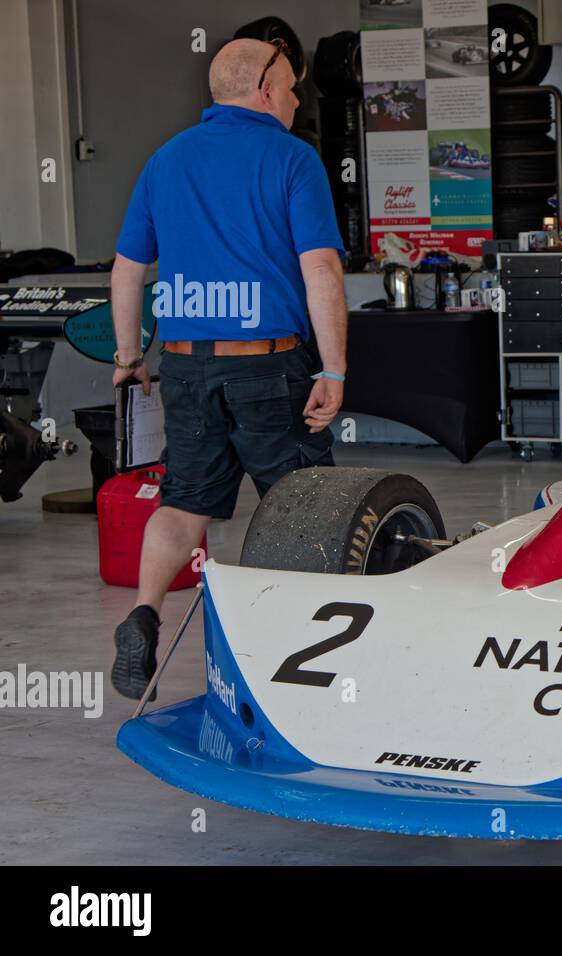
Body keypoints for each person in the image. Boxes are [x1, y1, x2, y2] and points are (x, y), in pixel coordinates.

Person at [109, 38, 347, 698]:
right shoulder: (293, 159)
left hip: (184, 368)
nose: (300, 99)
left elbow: (128, 270)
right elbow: (322, 269)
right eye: (294, 87)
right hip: (268, 367)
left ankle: (144, 613)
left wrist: (130, 360)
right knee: (306, 505)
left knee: (184, 504)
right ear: (264, 88)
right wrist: (335, 368)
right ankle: (309, 654)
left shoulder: (165, 160)